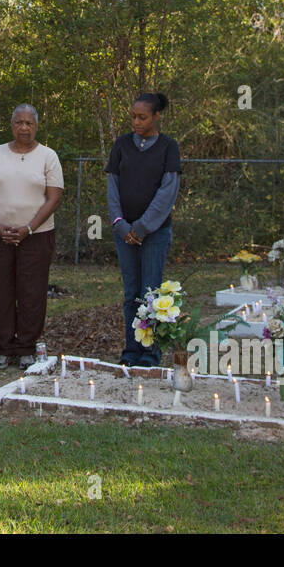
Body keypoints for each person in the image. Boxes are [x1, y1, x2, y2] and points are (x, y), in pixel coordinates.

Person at [0, 105, 63, 369]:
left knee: (32, 292)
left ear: (36, 126)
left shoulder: (48, 156)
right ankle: (3, 349)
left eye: (29, 123)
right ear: (11, 125)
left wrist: (29, 228)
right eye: (19, 122)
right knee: (0, 291)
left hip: (37, 236)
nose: (24, 127)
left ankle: (26, 348)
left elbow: (54, 197)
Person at [107, 92, 181, 367]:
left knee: (150, 295)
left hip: (155, 233)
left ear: (157, 116)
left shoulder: (168, 147)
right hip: (124, 233)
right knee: (131, 295)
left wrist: (141, 228)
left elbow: (167, 192)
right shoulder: (121, 145)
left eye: (142, 117)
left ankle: (149, 353)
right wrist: (121, 225)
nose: (136, 122)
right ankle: (131, 350)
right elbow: (112, 187)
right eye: (133, 117)